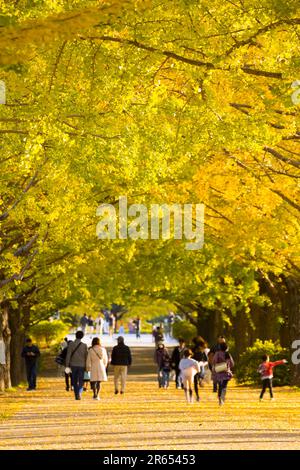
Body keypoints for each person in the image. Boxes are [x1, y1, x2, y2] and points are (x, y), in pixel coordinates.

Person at [66, 331, 88, 400]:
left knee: (74, 380)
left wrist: (67, 365)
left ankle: (76, 394)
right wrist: (87, 366)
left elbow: (68, 355)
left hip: (73, 365)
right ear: (82, 336)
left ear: (75, 335)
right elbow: (86, 356)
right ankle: (79, 393)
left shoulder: (71, 344)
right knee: (81, 380)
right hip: (82, 365)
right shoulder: (84, 345)